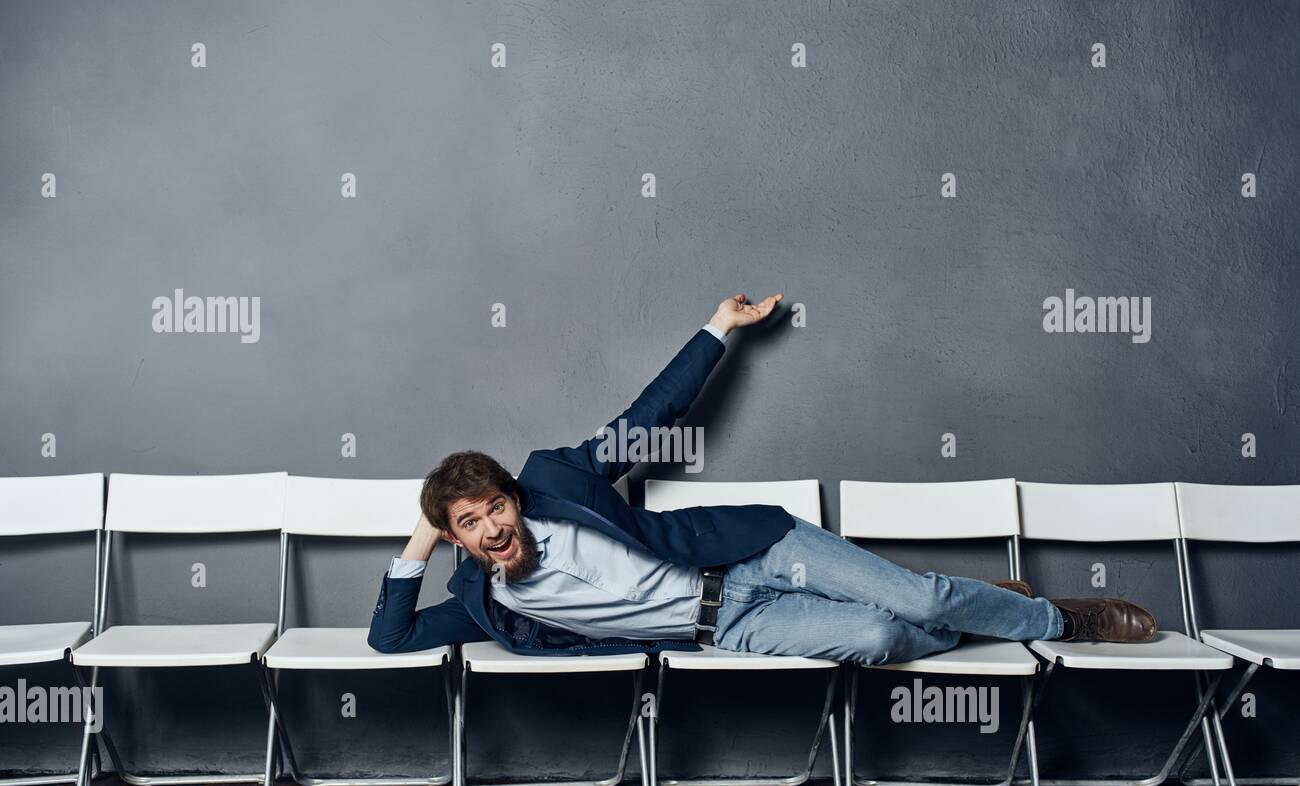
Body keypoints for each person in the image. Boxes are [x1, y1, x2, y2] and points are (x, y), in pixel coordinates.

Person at [368, 292, 1156, 664]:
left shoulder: (558, 480)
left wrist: (721, 329)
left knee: (917, 596)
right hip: (726, 628)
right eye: (468, 524)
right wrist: (420, 534)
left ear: (513, 495)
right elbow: (389, 637)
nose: (492, 528)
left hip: (756, 556)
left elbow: (649, 416)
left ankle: (1057, 619)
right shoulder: (487, 604)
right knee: (880, 637)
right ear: (457, 538)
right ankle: (993, 611)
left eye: (494, 507)